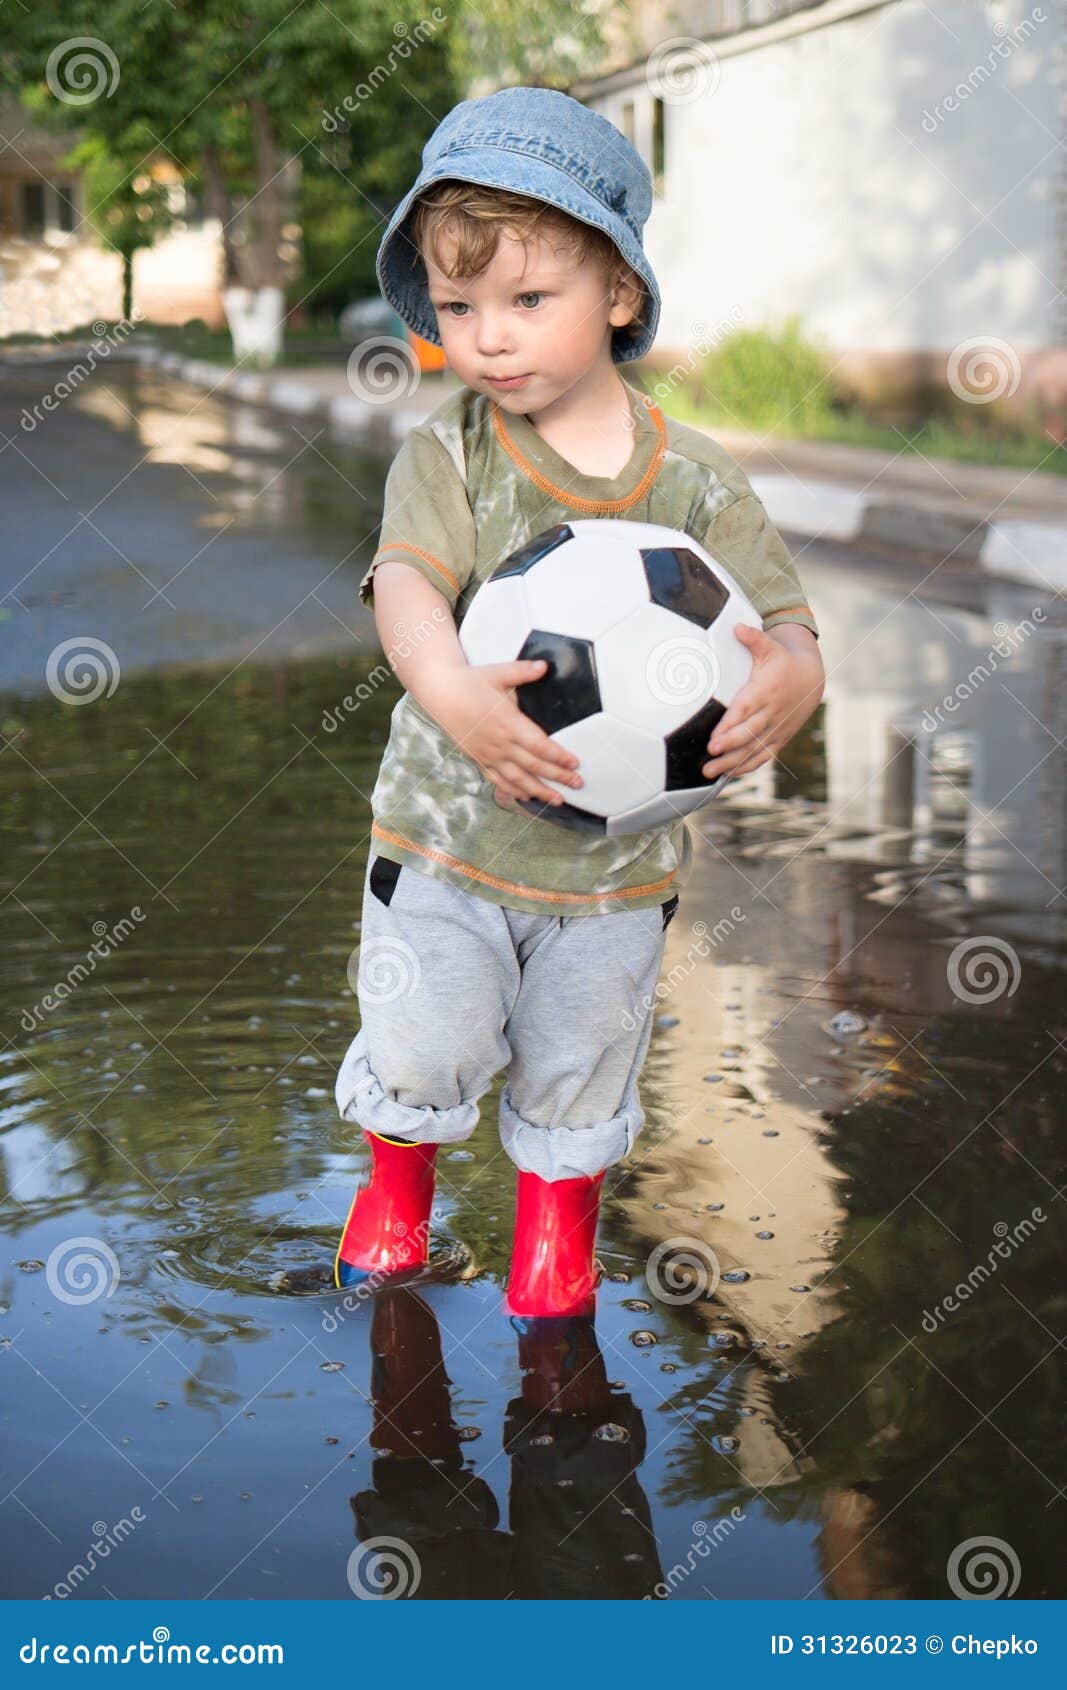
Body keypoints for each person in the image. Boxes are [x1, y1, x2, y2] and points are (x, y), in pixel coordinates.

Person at [333, 85, 824, 1318]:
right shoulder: (448, 455)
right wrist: (450, 689)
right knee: (424, 1043)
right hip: (445, 843)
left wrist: (795, 678)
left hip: (615, 871)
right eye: (457, 307)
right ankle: (398, 1183)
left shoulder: (696, 481)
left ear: (618, 294)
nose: (485, 338)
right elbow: (405, 585)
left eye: (525, 299)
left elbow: (784, 618)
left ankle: (555, 1242)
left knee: (582, 1062)